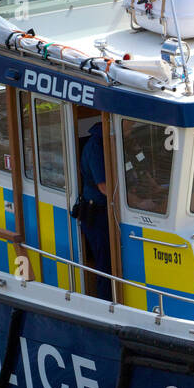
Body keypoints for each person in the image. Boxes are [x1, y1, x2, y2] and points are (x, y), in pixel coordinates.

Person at [76, 120, 113, 301]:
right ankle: (106, 303)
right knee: (105, 264)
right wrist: (135, 200)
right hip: (97, 215)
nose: (130, 130)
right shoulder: (95, 148)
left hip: (107, 211)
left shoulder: (118, 139)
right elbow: (104, 186)